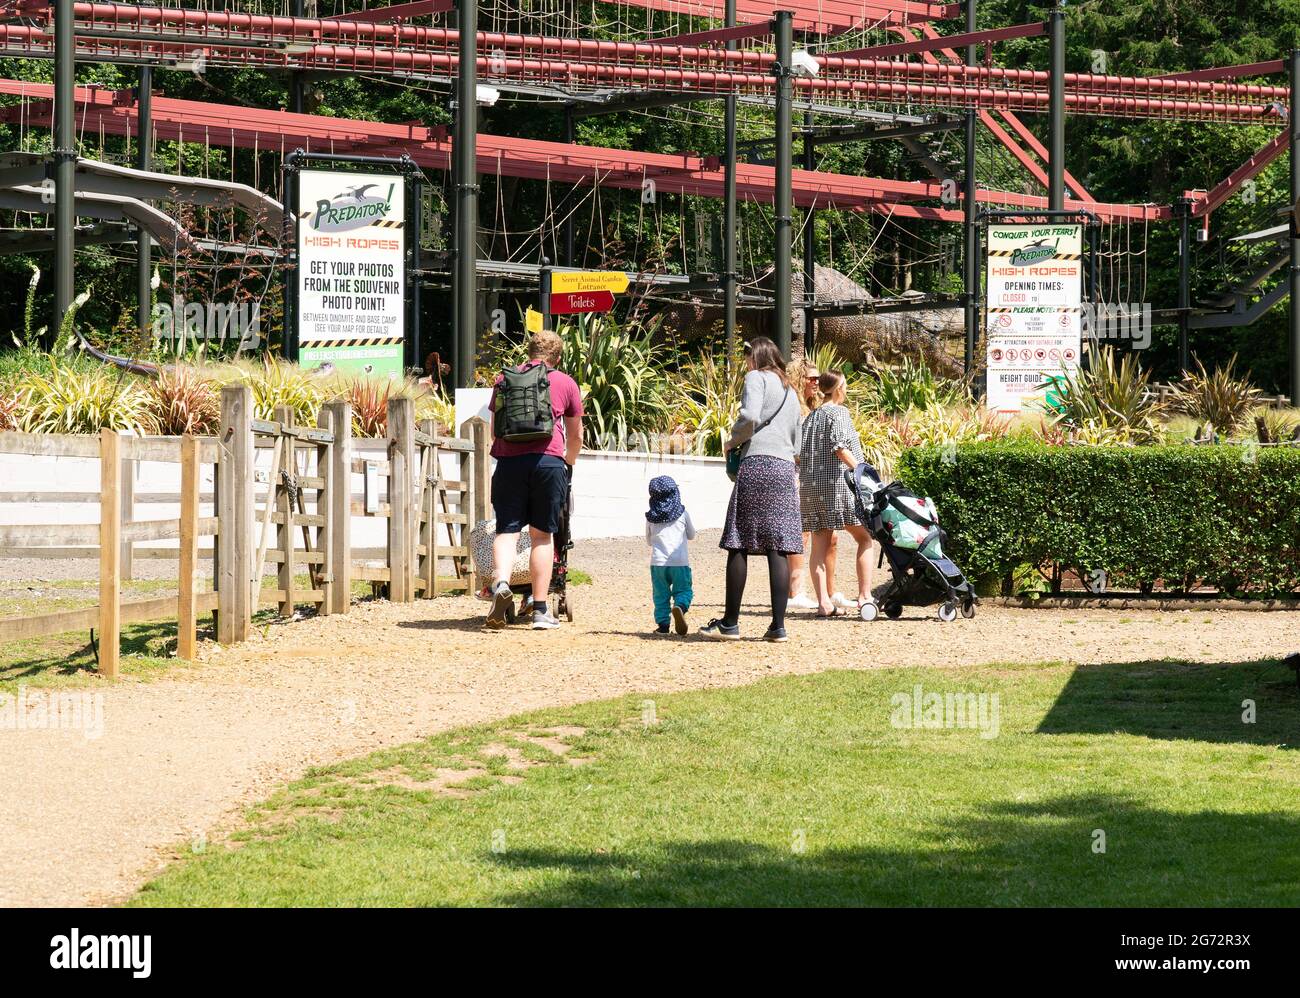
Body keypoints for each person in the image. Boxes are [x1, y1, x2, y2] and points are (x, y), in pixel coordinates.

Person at [700, 337, 803, 643]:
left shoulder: (755, 377)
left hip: (757, 463)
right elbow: (798, 438)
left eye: (747, 358)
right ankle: (777, 627)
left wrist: (732, 441)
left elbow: (750, 416)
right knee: (777, 545)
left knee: (739, 541)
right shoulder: (790, 390)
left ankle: (730, 623)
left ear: (755, 357)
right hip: (785, 468)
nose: (745, 364)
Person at [484, 330, 583, 631]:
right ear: (557, 356)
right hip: (548, 462)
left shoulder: (504, 380)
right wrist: (568, 462)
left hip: (509, 463)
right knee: (542, 536)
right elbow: (576, 435)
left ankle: (501, 582)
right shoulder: (565, 382)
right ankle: (540, 611)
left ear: (529, 352)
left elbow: (494, 431)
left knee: (507, 530)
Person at [798, 369, 875, 617]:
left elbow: (799, 454)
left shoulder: (810, 418)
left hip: (811, 487)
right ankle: (865, 596)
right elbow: (840, 447)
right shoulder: (839, 412)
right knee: (865, 537)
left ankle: (824, 603)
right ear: (839, 387)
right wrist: (863, 471)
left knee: (819, 544)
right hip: (838, 486)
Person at [787, 360, 822, 611]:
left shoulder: (810, 407)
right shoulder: (794, 407)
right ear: (799, 379)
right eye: (811, 378)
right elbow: (796, 447)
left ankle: (797, 589)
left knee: (807, 530)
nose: (816, 382)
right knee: (800, 530)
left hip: (808, 473)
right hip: (795, 472)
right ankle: (795, 591)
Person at [644, 475, 695, 635]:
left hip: (658, 563)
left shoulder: (651, 517)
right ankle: (680, 606)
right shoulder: (683, 514)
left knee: (660, 595)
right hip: (680, 562)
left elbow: (649, 541)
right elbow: (692, 535)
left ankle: (663, 626)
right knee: (684, 590)